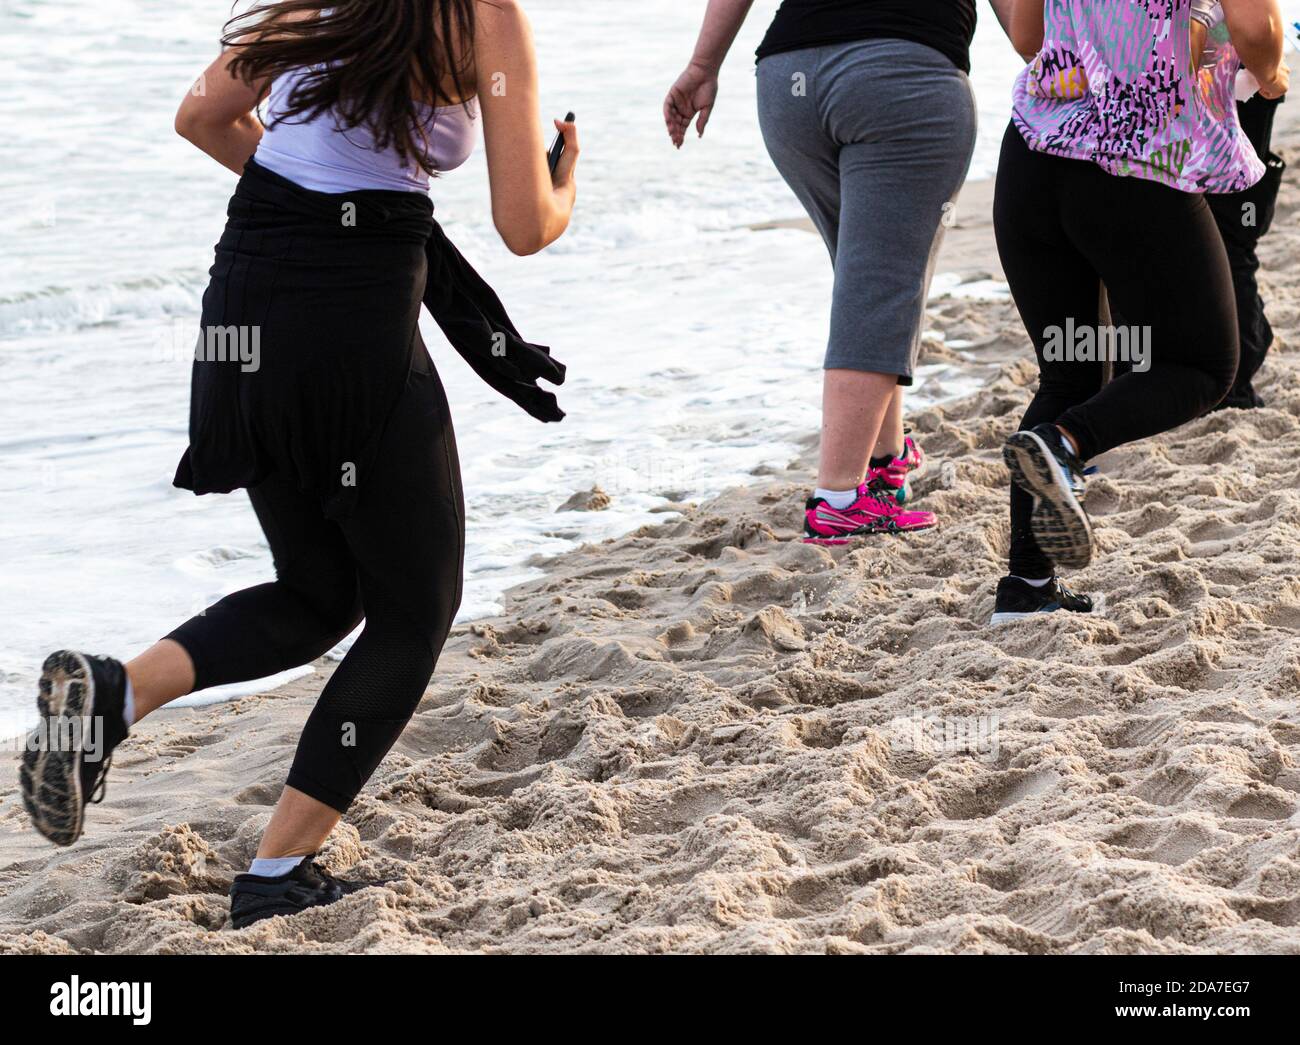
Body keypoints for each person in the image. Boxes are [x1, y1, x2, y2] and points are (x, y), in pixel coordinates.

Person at [18, 0, 579, 929]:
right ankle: (278, 870)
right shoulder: (488, 17)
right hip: (350, 324)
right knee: (415, 608)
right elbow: (526, 225)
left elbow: (199, 117)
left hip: (243, 301)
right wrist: (568, 180)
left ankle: (113, 694)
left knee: (320, 590)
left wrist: (317, 201)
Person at [664, 1, 1022, 544]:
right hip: (902, 80)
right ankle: (837, 499)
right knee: (880, 284)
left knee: (866, 274)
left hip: (789, 83)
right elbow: (1026, 29)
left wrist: (702, 65)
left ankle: (885, 459)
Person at [991, 0, 1288, 624]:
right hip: (1135, 159)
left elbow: (1025, 35)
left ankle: (1026, 589)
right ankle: (1064, 442)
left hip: (1033, 155)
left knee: (1072, 369)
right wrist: (1270, 73)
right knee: (1205, 366)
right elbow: (1257, 27)